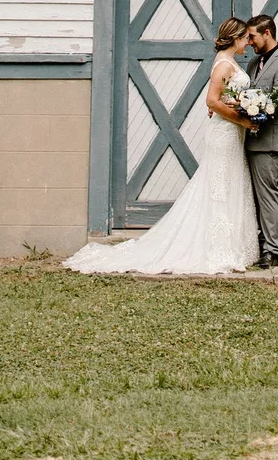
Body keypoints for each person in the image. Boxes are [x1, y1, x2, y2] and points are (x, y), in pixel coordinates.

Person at [64, 17, 259, 274]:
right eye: (245, 38)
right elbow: (211, 102)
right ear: (236, 38)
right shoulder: (223, 65)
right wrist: (244, 121)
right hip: (224, 133)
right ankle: (217, 249)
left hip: (231, 132)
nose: (248, 42)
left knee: (229, 181)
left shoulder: (230, 62)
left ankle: (231, 245)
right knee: (219, 185)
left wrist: (243, 106)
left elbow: (225, 98)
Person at [242, 15, 278, 269]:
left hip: (269, 142)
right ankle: (261, 243)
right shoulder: (254, 62)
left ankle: (273, 251)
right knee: (254, 197)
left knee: (267, 196)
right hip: (249, 140)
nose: (249, 41)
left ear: (267, 33)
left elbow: (277, 103)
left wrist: (246, 106)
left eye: (252, 36)